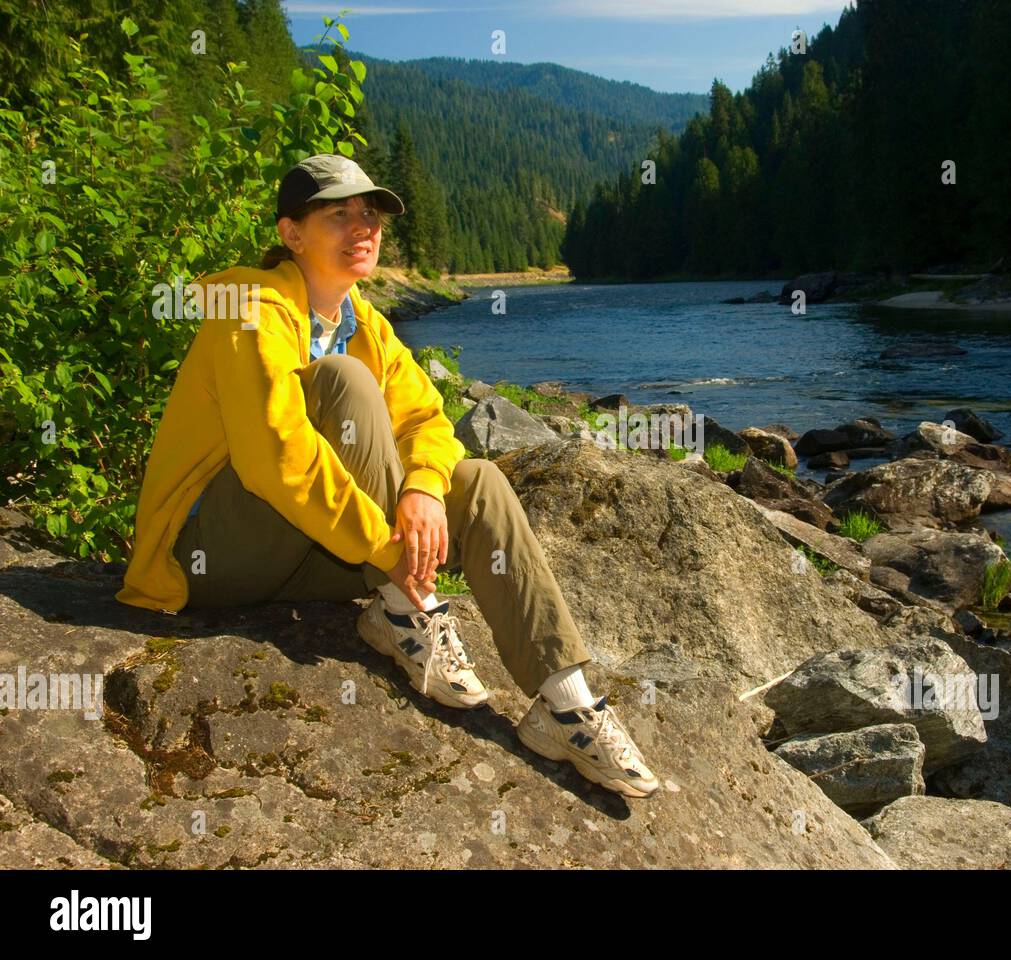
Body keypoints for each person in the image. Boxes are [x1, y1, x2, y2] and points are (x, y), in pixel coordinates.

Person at [115, 154, 658, 799]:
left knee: (477, 479)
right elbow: (275, 460)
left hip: (313, 554)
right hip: (210, 554)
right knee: (345, 384)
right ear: (292, 233)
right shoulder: (251, 310)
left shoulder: (363, 323)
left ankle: (563, 704)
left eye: (369, 213)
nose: (362, 227)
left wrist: (425, 486)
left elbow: (429, 419)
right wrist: (393, 553)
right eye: (338, 214)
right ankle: (408, 604)